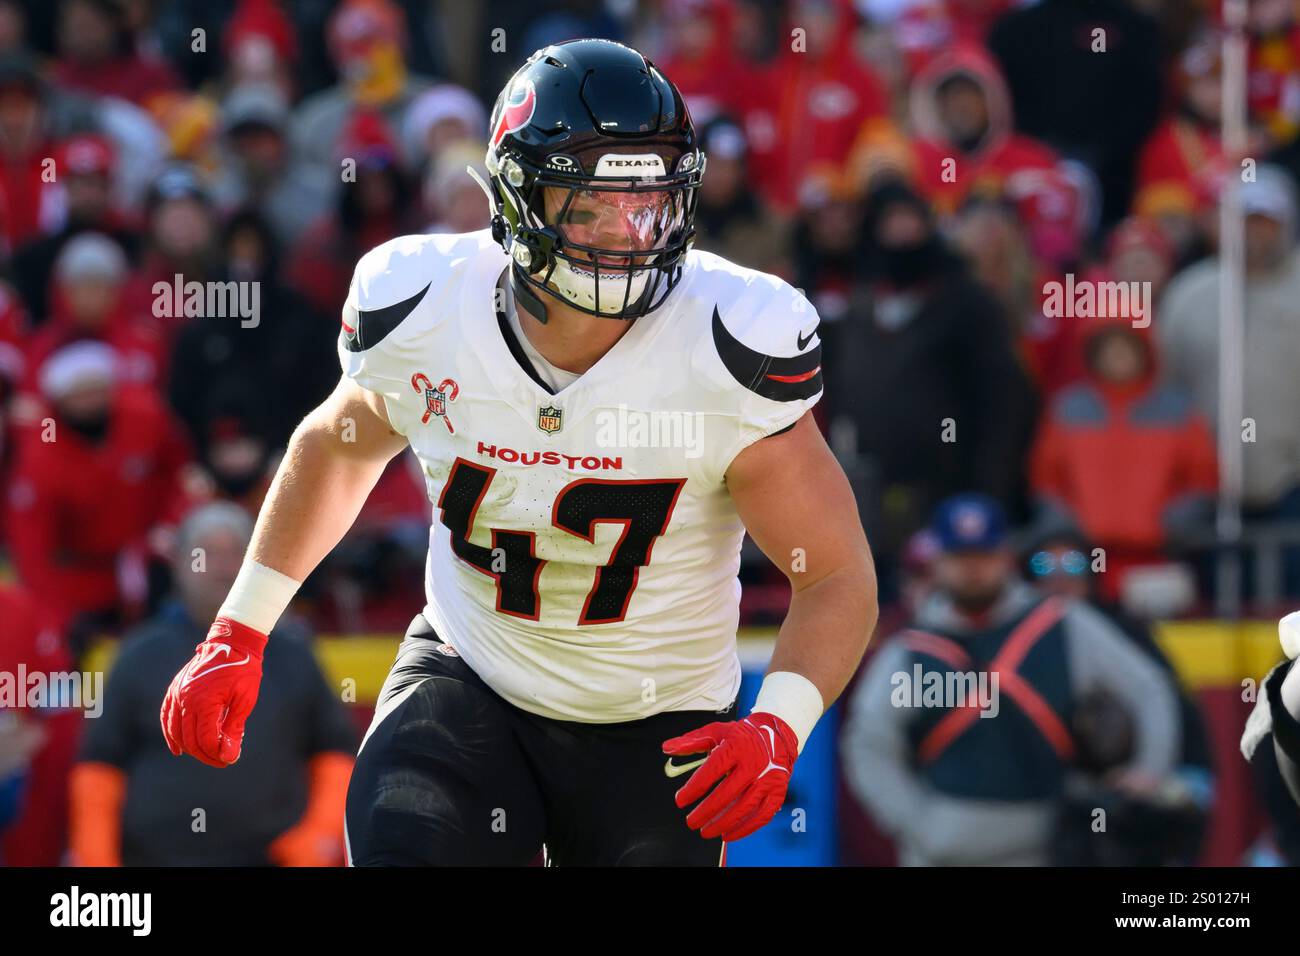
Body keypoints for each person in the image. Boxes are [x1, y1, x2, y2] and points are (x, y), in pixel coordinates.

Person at [160, 39, 877, 867]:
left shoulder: (728, 344)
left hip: (655, 719)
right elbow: (338, 447)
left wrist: (777, 723)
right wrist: (238, 630)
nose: (625, 231)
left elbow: (834, 573)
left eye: (646, 202)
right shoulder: (424, 305)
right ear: (518, 196)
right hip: (471, 678)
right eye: (590, 202)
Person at [841, 493, 1181, 866]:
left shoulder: (1059, 624)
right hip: (944, 846)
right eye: (959, 557)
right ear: (937, 562)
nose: (973, 569)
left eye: (984, 555)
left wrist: (1149, 772)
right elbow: (868, 743)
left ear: (1005, 556)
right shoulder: (912, 648)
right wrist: (916, 822)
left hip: (1046, 842)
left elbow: (1149, 686)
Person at [72, 502, 356, 866]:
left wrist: (318, 836)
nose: (222, 568)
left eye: (236, 553)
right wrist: (96, 859)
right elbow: (99, 765)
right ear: (178, 563)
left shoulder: (293, 651)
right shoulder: (138, 654)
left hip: (271, 859)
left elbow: (335, 751)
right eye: (206, 553)